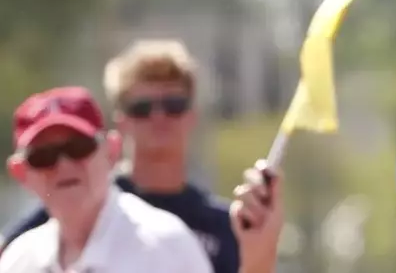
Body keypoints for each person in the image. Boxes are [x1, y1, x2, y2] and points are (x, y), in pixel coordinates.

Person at [0, 40, 239, 271]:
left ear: (110, 150)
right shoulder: (23, 254)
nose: (158, 118)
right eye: (43, 156)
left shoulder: (188, 237)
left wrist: (262, 249)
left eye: (79, 148)